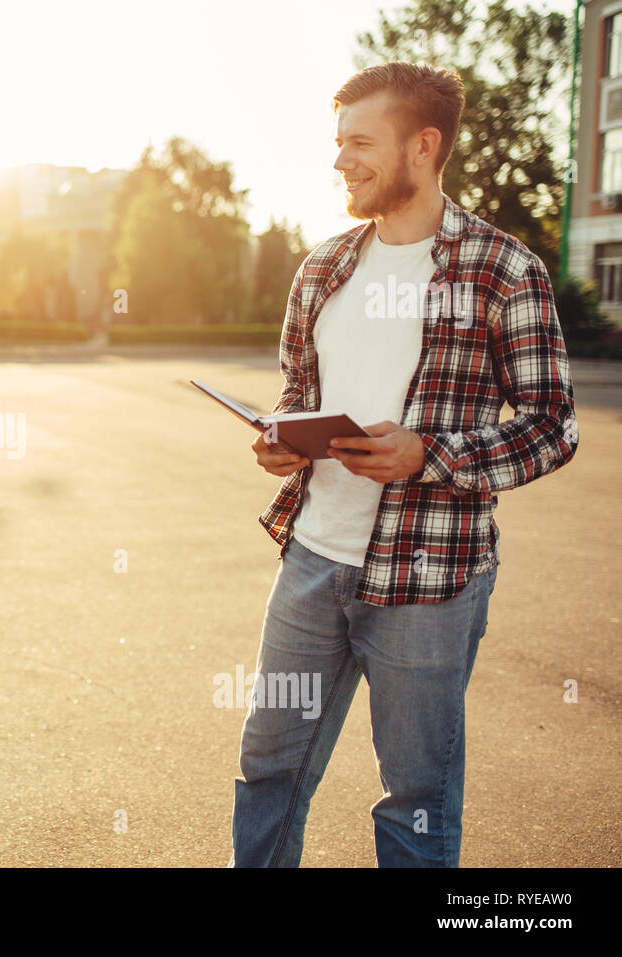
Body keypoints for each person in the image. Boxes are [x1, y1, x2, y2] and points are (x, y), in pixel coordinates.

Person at [231, 62, 577, 867]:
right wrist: (282, 441)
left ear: (424, 147)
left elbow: (553, 426)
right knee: (268, 765)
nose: (341, 162)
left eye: (360, 143)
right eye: (337, 143)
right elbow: (299, 391)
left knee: (415, 797)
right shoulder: (322, 269)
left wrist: (433, 455)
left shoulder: (504, 270)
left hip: (431, 580)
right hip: (313, 562)